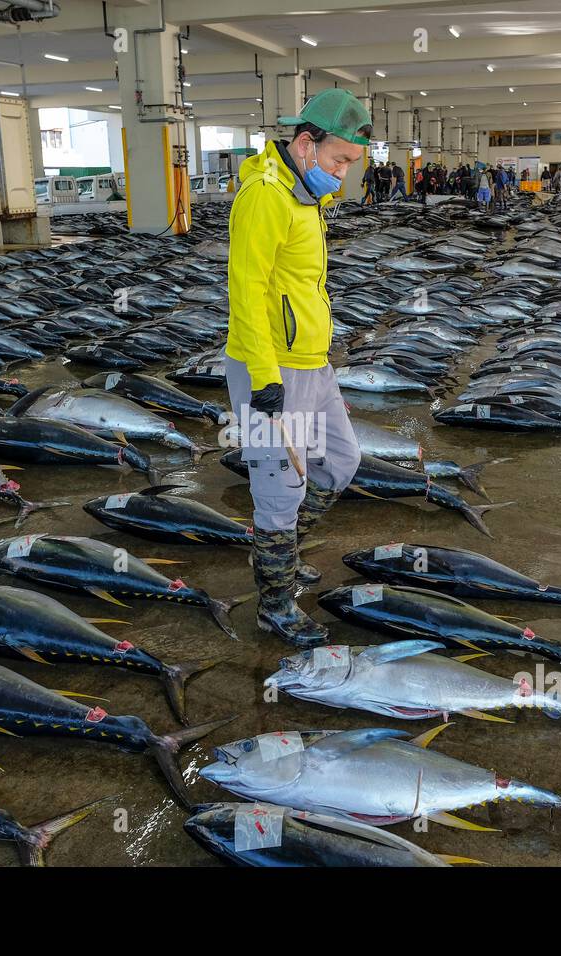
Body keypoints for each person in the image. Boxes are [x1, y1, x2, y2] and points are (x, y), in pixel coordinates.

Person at [224, 88, 368, 646]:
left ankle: (281, 555)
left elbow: (303, 285)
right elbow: (249, 291)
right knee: (281, 489)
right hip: (272, 368)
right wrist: (265, 381)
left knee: (340, 461)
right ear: (306, 144)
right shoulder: (265, 196)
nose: (343, 175)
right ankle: (275, 603)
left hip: (312, 364)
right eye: (339, 161)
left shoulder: (305, 195)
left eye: (351, 166)